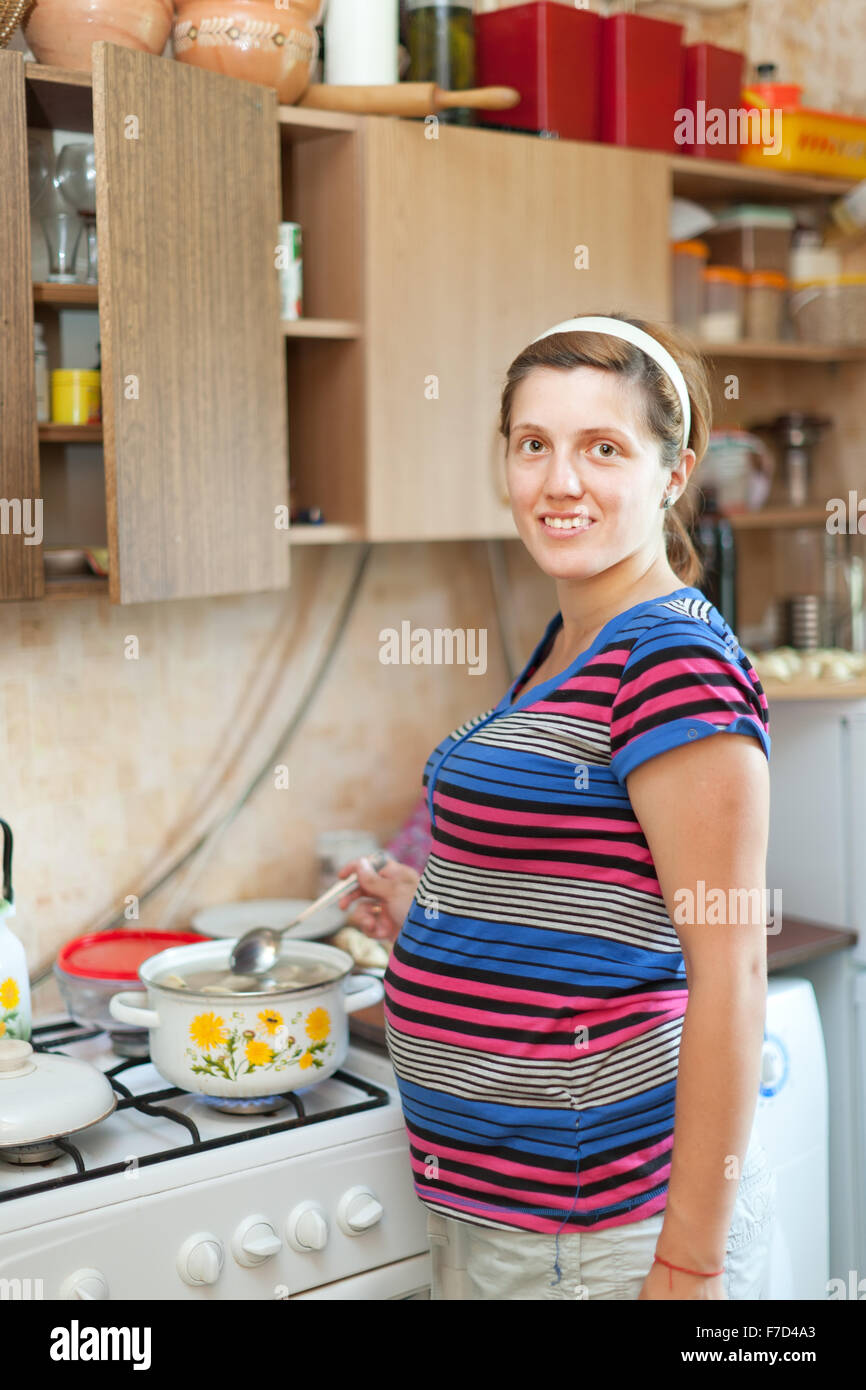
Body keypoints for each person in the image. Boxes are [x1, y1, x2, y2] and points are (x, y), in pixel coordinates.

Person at [338, 312, 776, 1301]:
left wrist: (686, 1262)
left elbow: (731, 969)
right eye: (532, 444)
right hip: (506, 1214)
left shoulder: (673, 663)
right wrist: (439, 916)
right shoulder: (571, 638)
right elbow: (588, 890)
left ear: (674, 472)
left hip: (602, 1238)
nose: (559, 481)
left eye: (602, 448)